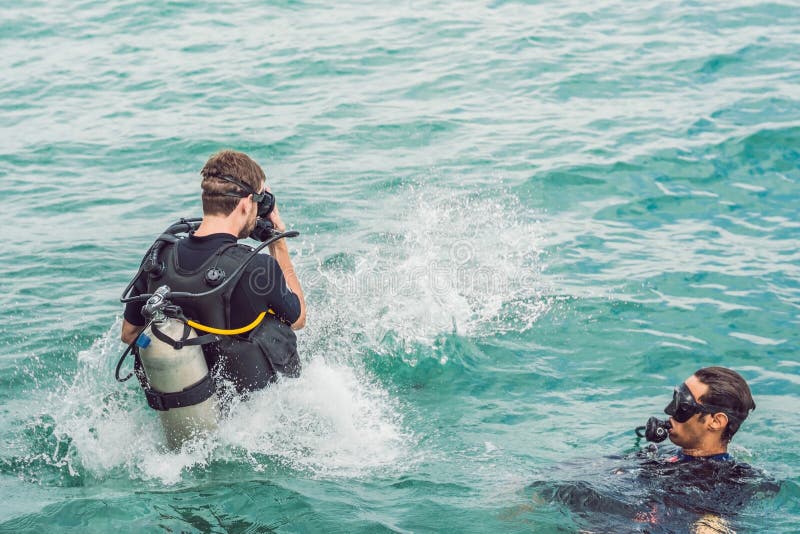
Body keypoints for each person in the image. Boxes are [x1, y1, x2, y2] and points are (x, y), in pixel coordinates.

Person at [121, 149, 306, 394]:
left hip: (187, 404)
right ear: (244, 203)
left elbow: (129, 333)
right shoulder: (258, 267)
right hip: (249, 410)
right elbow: (299, 319)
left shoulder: (159, 257)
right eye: (259, 202)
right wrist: (277, 242)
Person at [662, 366, 756, 462]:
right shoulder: (660, 451)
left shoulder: (726, 476)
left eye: (683, 407)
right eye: (676, 399)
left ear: (716, 421)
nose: (669, 410)